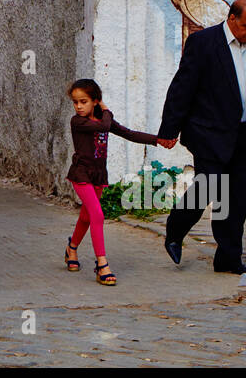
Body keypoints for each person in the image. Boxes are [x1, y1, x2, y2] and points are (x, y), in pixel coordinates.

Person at [157, 0, 246, 274]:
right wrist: (169, 130)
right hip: (209, 133)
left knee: (236, 200)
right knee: (209, 187)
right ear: (231, 18)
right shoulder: (203, 43)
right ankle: (175, 229)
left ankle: (228, 258)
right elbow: (181, 89)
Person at [63, 79, 170, 285]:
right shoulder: (78, 122)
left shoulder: (103, 120)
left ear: (94, 101)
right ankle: (102, 264)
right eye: (75, 102)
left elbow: (129, 134)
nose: (78, 106)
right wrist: (106, 109)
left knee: (86, 217)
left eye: (83, 101)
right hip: (81, 174)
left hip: (98, 175)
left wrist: (157, 140)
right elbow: (104, 124)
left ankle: (72, 248)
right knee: (97, 215)